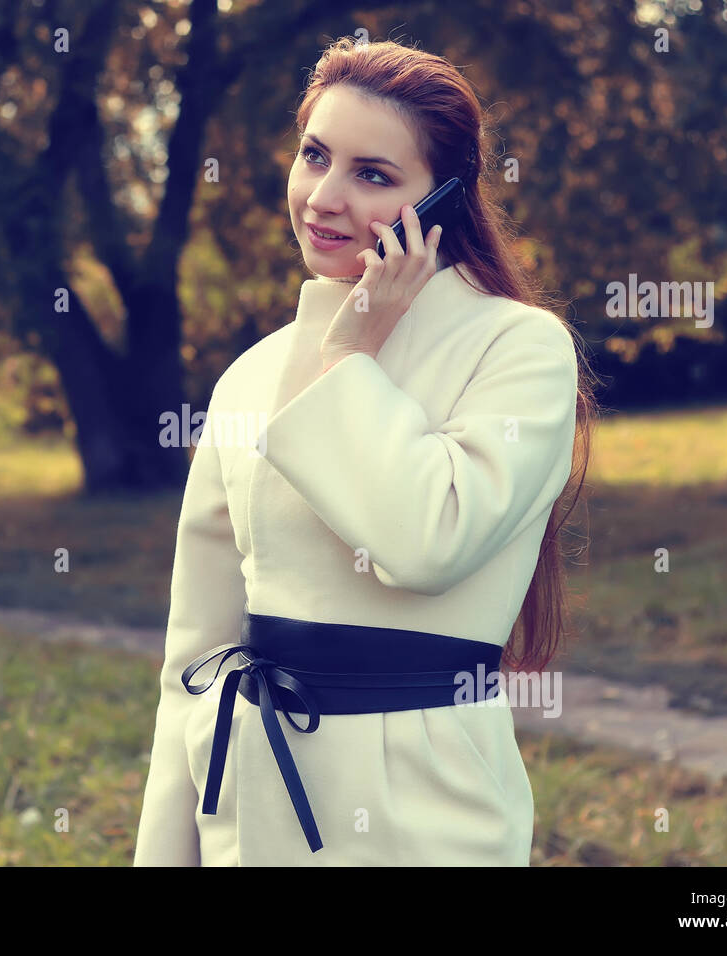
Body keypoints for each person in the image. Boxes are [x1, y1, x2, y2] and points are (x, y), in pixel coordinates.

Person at [133, 38, 598, 867]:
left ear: (444, 199)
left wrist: (347, 359)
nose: (324, 197)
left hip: (424, 810)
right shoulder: (249, 375)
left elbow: (425, 544)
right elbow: (193, 662)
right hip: (253, 803)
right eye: (315, 156)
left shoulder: (519, 348)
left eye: (373, 175)